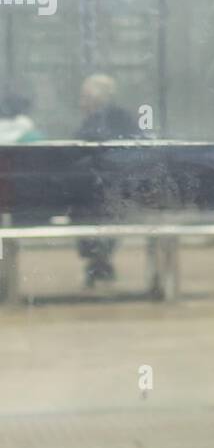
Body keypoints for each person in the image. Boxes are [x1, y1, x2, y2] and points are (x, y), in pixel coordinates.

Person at [76, 74, 135, 288]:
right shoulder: (106, 119)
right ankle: (99, 261)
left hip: (105, 191)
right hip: (105, 192)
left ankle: (98, 261)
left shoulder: (100, 121)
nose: (81, 102)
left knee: (95, 206)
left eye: (85, 97)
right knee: (98, 206)